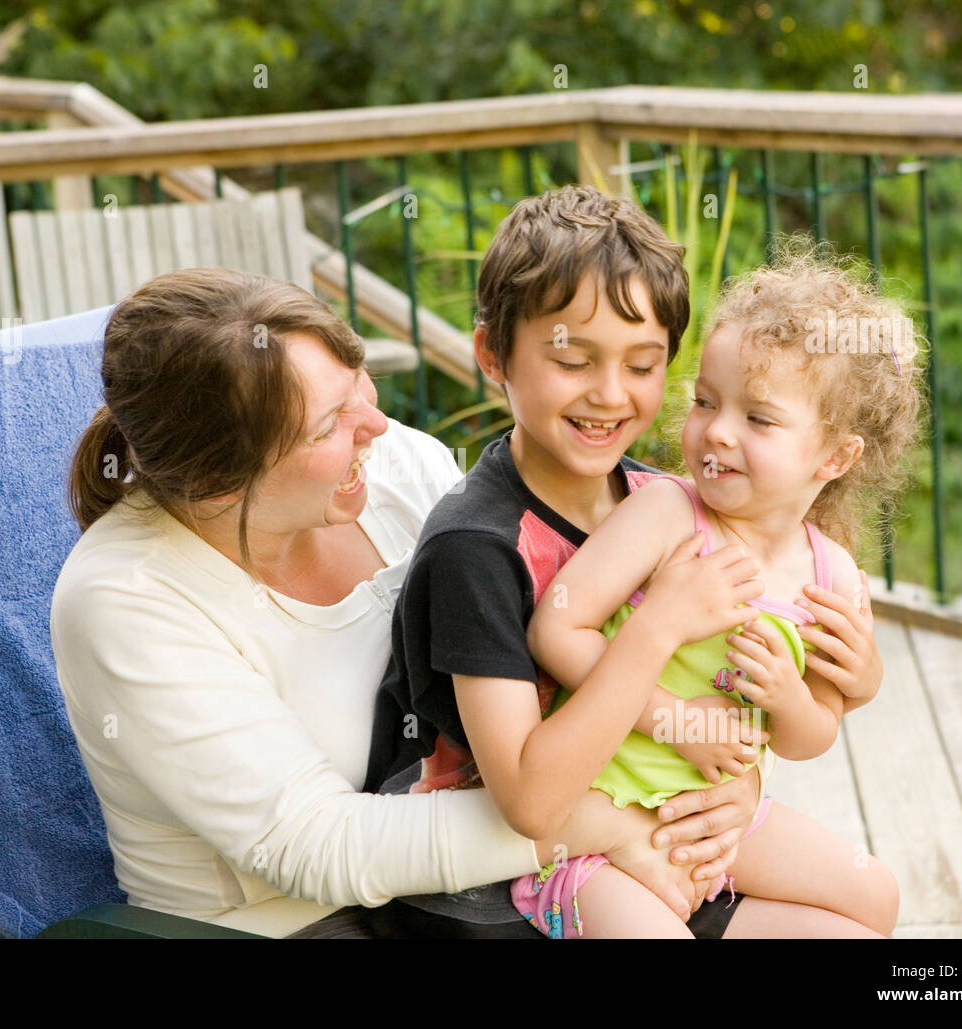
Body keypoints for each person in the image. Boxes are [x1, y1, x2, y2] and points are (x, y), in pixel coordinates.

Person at [49, 266, 764, 939]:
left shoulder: (393, 472)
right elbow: (316, 846)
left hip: (502, 874)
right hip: (289, 920)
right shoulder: (127, 599)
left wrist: (727, 790)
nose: (376, 425)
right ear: (221, 481)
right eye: (328, 425)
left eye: (357, 378)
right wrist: (613, 824)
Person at [364, 188, 887, 938]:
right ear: (492, 354)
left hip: (665, 825)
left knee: (870, 914)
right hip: (506, 876)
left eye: (643, 365)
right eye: (573, 358)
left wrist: (771, 761)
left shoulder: (653, 493)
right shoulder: (474, 550)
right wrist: (664, 649)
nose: (609, 393)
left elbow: (734, 693)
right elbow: (531, 803)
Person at [515, 241, 918, 937]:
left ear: (835, 455)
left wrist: (791, 699)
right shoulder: (669, 514)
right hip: (603, 819)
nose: (716, 432)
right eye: (705, 400)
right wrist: (678, 720)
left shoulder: (833, 575)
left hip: (721, 819)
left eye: (757, 418)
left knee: (874, 896)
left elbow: (810, 733)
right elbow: (555, 629)